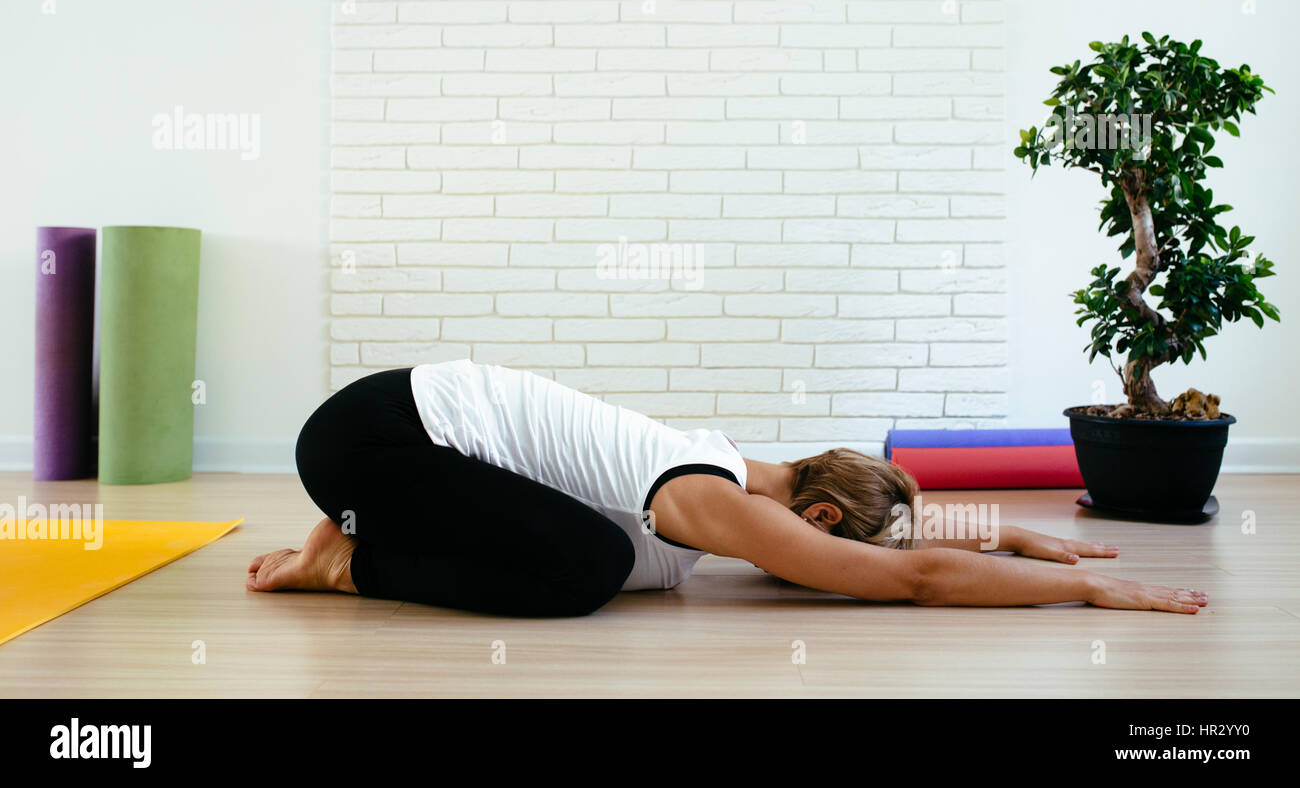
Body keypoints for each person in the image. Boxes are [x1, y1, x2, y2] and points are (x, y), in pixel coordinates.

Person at [247, 360, 1209, 617]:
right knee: (585, 569)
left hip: (391, 435)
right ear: (822, 517)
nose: (825, 569)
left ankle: (347, 534)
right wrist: (1084, 589)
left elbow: (900, 551)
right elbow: (910, 581)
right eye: (833, 549)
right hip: (369, 443)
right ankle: (347, 567)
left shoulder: (738, 472)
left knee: (601, 558)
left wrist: (1004, 534)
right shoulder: (706, 493)